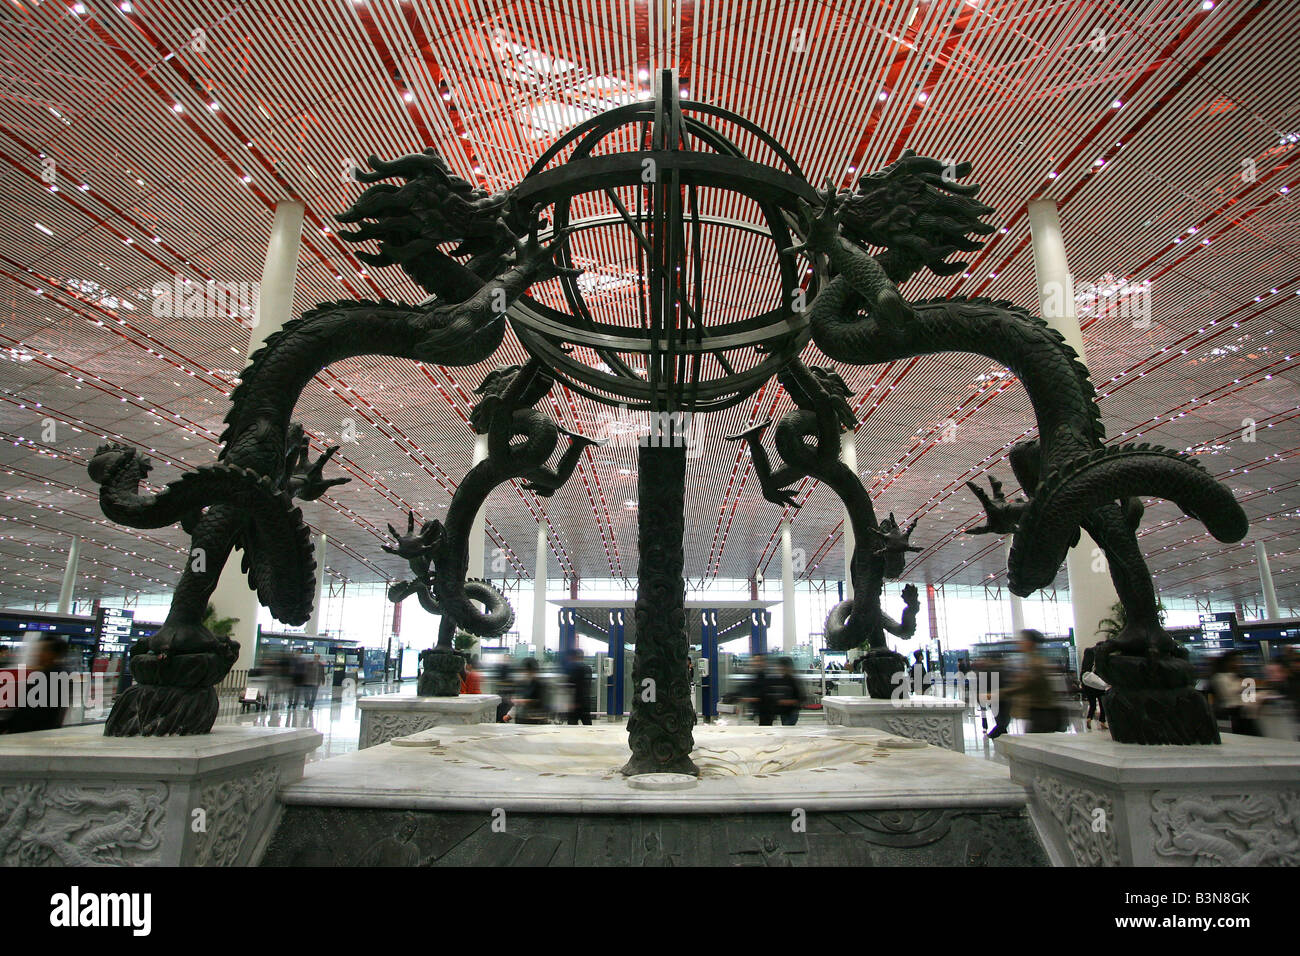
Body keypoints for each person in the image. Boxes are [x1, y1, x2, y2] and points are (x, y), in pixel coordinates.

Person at [0, 635, 70, 735]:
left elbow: (31, 714)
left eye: (42, 650)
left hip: (31, 735)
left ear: (52, 654)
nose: (37, 654)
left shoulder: (51, 677)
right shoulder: (55, 673)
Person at [1209, 650, 1260, 736]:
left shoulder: (1241, 677)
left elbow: (1249, 698)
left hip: (1246, 714)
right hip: (1234, 714)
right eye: (1236, 660)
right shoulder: (1219, 678)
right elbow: (1228, 696)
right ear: (1228, 662)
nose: (1239, 663)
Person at [1079, 645, 1107, 731]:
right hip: (1097, 686)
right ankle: (1102, 722)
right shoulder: (1098, 659)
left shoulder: (1085, 664)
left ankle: (1089, 718)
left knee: (1092, 704)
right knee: (1102, 705)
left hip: (1087, 686)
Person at [770, 657, 805, 726]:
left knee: (788, 727)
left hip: (792, 711)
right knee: (786, 728)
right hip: (783, 711)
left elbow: (801, 697)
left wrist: (789, 701)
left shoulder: (794, 680)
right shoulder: (781, 679)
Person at [513, 657, 549, 724]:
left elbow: (540, 702)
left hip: (535, 720)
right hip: (522, 718)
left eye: (529, 671)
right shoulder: (522, 683)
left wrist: (523, 701)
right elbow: (516, 704)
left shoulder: (539, 684)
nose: (526, 673)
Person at [744, 654, 776, 725]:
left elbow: (764, 694)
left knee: (765, 729)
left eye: (759, 661)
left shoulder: (767, 676)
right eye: (755, 661)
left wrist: (751, 699)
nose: (757, 663)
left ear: (764, 662)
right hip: (758, 710)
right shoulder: (755, 675)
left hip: (766, 711)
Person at [564, 649, 592, 725]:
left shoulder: (573, 668)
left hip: (575, 703)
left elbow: (574, 686)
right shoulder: (588, 668)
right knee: (587, 724)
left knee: (572, 726)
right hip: (586, 702)